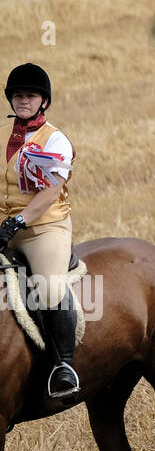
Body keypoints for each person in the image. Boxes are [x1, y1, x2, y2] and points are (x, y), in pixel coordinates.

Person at [0, 64, 81, 398]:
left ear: (43, 101)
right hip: (3, 223)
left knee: (48, 288)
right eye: (18, 95)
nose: (23, 100)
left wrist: (19, 222)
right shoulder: (3, 136)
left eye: (30, 95)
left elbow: (49, 191)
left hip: (43, 227)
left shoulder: (56, 140)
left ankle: (64, 366)